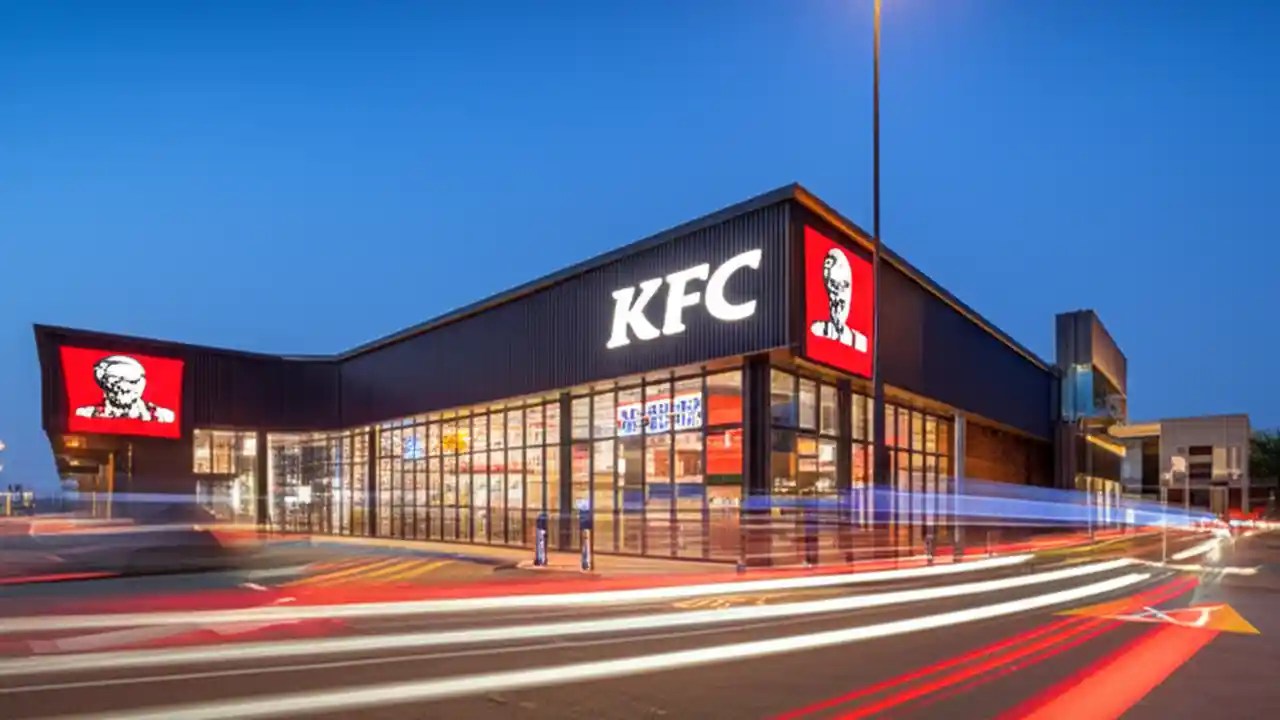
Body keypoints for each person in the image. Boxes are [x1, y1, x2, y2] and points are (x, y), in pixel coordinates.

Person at [74, 355, 175, 423]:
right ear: (103, 384)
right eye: (116, 381)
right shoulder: (85, 414)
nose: (124, 388)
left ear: (141, 384)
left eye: (131, 381)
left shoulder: (164, 416)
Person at [810, 248, 868, 352]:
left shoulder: (861, 342)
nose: (836, 295)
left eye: (841, 285)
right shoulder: (817, 329)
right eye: (832, 285)